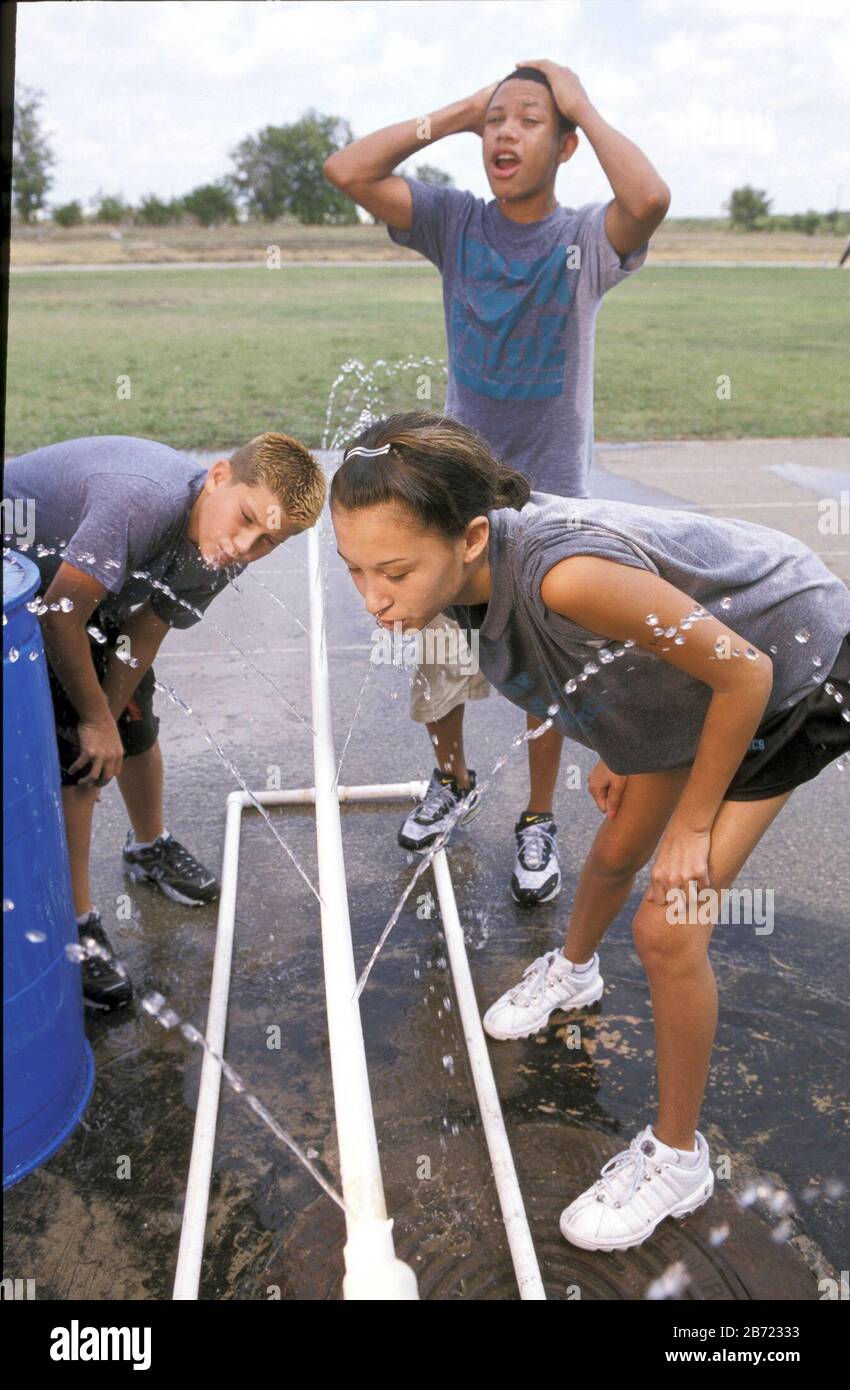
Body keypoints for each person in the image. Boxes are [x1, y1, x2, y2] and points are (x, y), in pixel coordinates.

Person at [330, 410, 850, 1252]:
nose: (373, 598)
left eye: (392, 571)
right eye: (355, 570)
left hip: (793, 668)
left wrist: (690, 823)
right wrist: (623, 737)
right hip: (711, 682)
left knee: (668, 925)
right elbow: (599, 665)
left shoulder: (564, 576)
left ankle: (679, 1160)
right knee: (612, 849)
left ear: (469, 537)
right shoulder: (464, 577)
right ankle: (571, 974)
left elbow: (742, 672)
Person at [324, 60, 669, 905]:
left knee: (543, 673)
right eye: (496, 122)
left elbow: (651, 199)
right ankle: (453, 779)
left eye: (529, 121)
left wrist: (579, 96)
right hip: (451, 492)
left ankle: (537, 818)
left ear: (568, 142)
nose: (505, 135)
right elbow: (349, 171)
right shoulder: (455, 224)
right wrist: (457, 112)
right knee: (440, 653)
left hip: (548, 502)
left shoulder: (585, 238)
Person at [3, 432, 326, 1011]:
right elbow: (59, 616)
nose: (244, 545)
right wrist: (92, 721)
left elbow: (147, 628)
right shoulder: (142, 500)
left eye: (268, 541)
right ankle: (77, 923)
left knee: (132, 728)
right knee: (79, 754)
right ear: (220, 475)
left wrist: (114, 711)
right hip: (21, 570)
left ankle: (148, 846)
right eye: (247, 519)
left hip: (88, 590)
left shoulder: (223, 549)